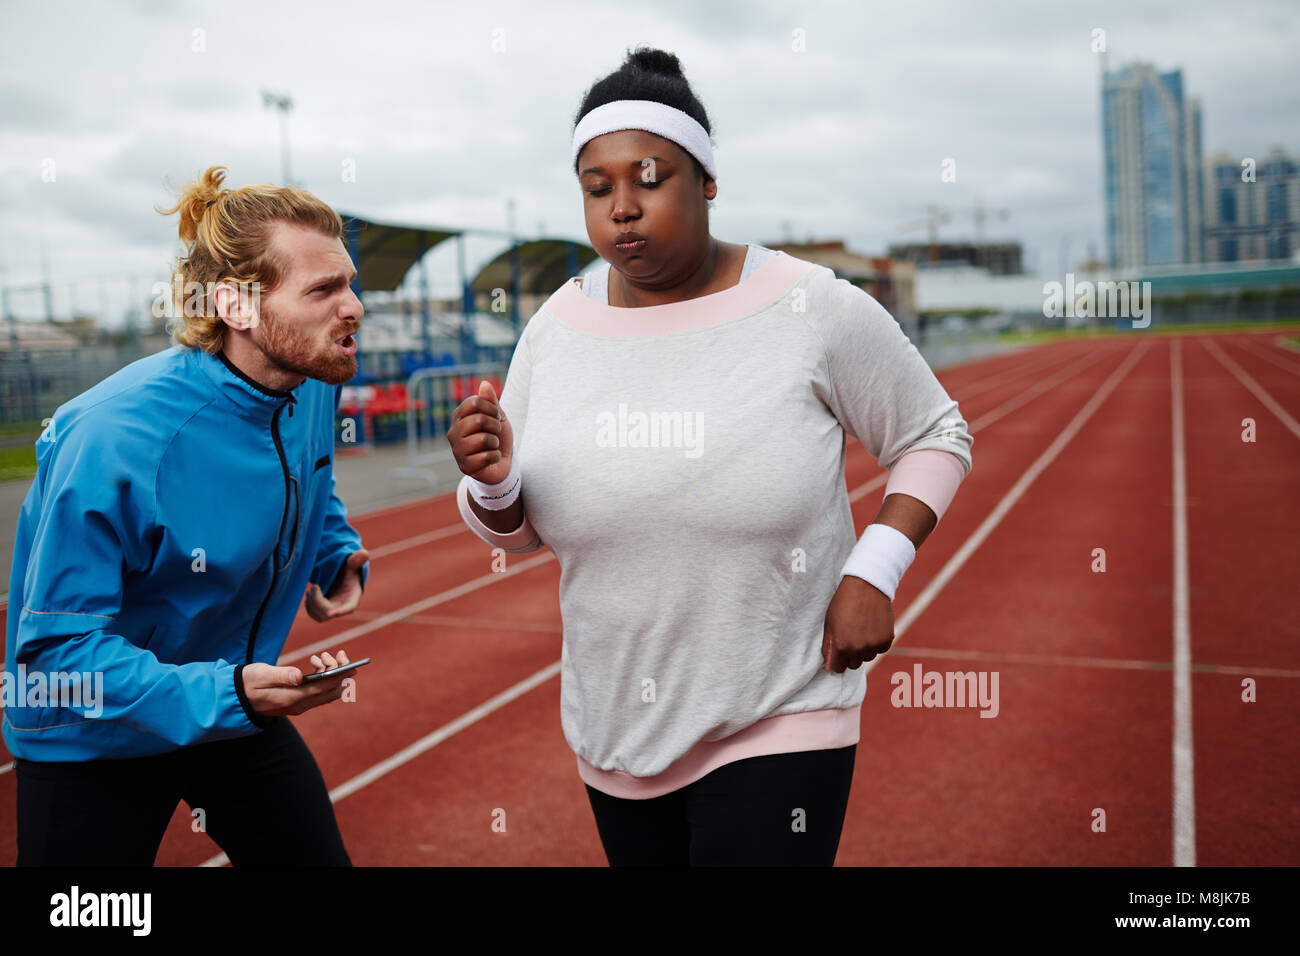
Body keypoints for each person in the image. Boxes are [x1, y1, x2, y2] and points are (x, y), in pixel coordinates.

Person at [448, 48, 974, 866]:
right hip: (616, 727)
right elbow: (516, 534)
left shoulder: (810, 305)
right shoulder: (554, 329)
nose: (622, 209)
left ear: (707, 181)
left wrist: (874, 569)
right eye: (598, 190)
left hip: (780, 709)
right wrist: (493, 481)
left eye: (649, 179)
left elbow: (936, 433)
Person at [3, 166, 370, 866]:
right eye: (323, 289)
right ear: (235, 306)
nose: (352, 307)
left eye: (350, 283)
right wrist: (227, 690)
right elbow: (55, 657)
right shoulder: (110, 438)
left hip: (229, 701)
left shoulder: (309, 380)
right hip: (93, 734)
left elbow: (308, 478)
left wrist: (335, 553)